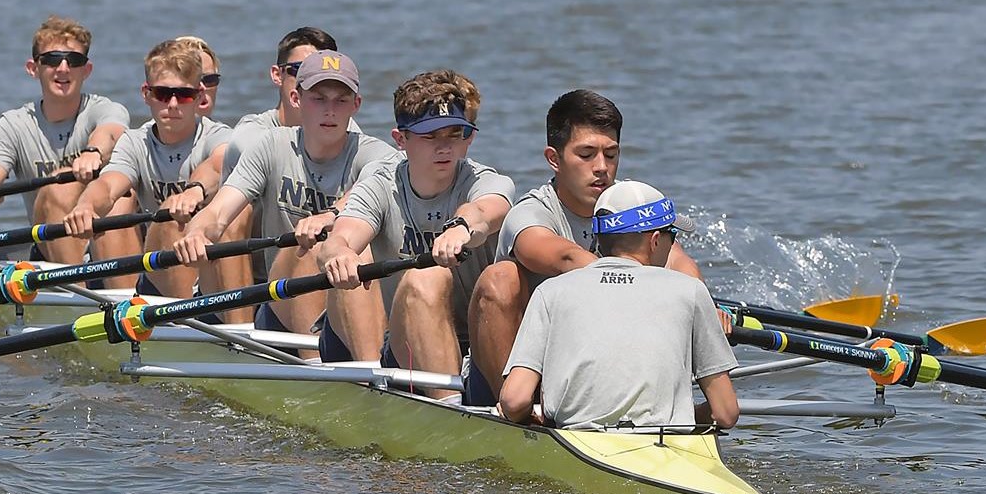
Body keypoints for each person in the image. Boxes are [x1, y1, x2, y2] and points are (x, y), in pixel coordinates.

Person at [467, 90, 703, 403]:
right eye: (587, 154)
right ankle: (516, 414)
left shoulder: (629, 203)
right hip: (518, 374)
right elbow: (566, 258)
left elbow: (675, 259)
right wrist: (640, 281)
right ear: (554, 159)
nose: (602, 167)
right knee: (501, 278)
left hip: (587, 372)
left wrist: (703, 305)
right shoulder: (530, 213)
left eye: (611, 154)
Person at [314, 69, 514, 398]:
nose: (445, 147)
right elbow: (341, 238)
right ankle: (450, 416)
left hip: (479, 343)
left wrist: (460, 228)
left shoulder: (486, 182)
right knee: (426, 277)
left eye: (455, 134)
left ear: (469, 138)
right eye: (430, 136)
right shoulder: (381, 182)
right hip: (405, 343)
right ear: (400, 139)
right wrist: (339, 256)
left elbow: (484, 211)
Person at [174, 50, 397, 341]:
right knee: (309, 249)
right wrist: (196, 233)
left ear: (356, 105)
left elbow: (377, 178)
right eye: (318, 98)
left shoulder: (373, 153)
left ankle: (363, 371)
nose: (330, 110)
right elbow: (218, 213)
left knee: (342, 246)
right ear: (296, 100)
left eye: (341, 100)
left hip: (352, 297)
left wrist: (331, 215)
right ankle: (317, 366)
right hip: (281, 305)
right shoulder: (272, 146)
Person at [498, 180, 738, 431]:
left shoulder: (549, 292)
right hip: (664, 445)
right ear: (655, 240)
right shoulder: (690, 290)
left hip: (574, 441)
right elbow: (726, 413)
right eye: (673, 235)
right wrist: (689, 415)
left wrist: (530, 421)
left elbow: (514, 400)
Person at [63, 40, 232, 299]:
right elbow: (109, 185)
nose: (173, 104)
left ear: (199, 96)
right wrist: (86, 207)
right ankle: (130, 308)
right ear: (146, 94)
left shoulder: (217, 135)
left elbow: (218, 163)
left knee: (180, 213)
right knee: (124, 206)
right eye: (163, 94)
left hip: (209, 271)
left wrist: (194, 191)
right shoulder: (135, 142)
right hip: (159, 270)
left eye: (184, 95)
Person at [0, 15, 134, 268]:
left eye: (73, 61)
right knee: (58, 187)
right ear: (34, 68)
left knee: (119, 197)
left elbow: (111, 132)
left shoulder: (106, 110)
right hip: (51, 244)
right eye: (52, 60)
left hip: (109, 240)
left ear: (86, 71)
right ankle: (82, 291)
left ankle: (120, 293)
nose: (63, 68)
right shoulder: (15, 124)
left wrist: (93, 152)